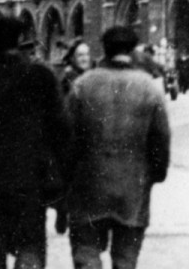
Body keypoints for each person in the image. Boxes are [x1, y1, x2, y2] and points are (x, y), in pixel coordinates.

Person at [0, 13, 71, 269]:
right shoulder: (41, 77)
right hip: (31, 183)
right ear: (19, 41)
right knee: (30, 247)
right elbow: (61, 131)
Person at [66, 24, 172, 269]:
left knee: (87, 253)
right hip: (133, 188)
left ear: (104, 50)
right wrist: (155, 173)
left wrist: (67, 181)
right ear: (133, 51)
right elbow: (161, 139)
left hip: (89, 188)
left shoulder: (83, 85)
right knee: (126, 260)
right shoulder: (149, 88)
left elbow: (68, 139)